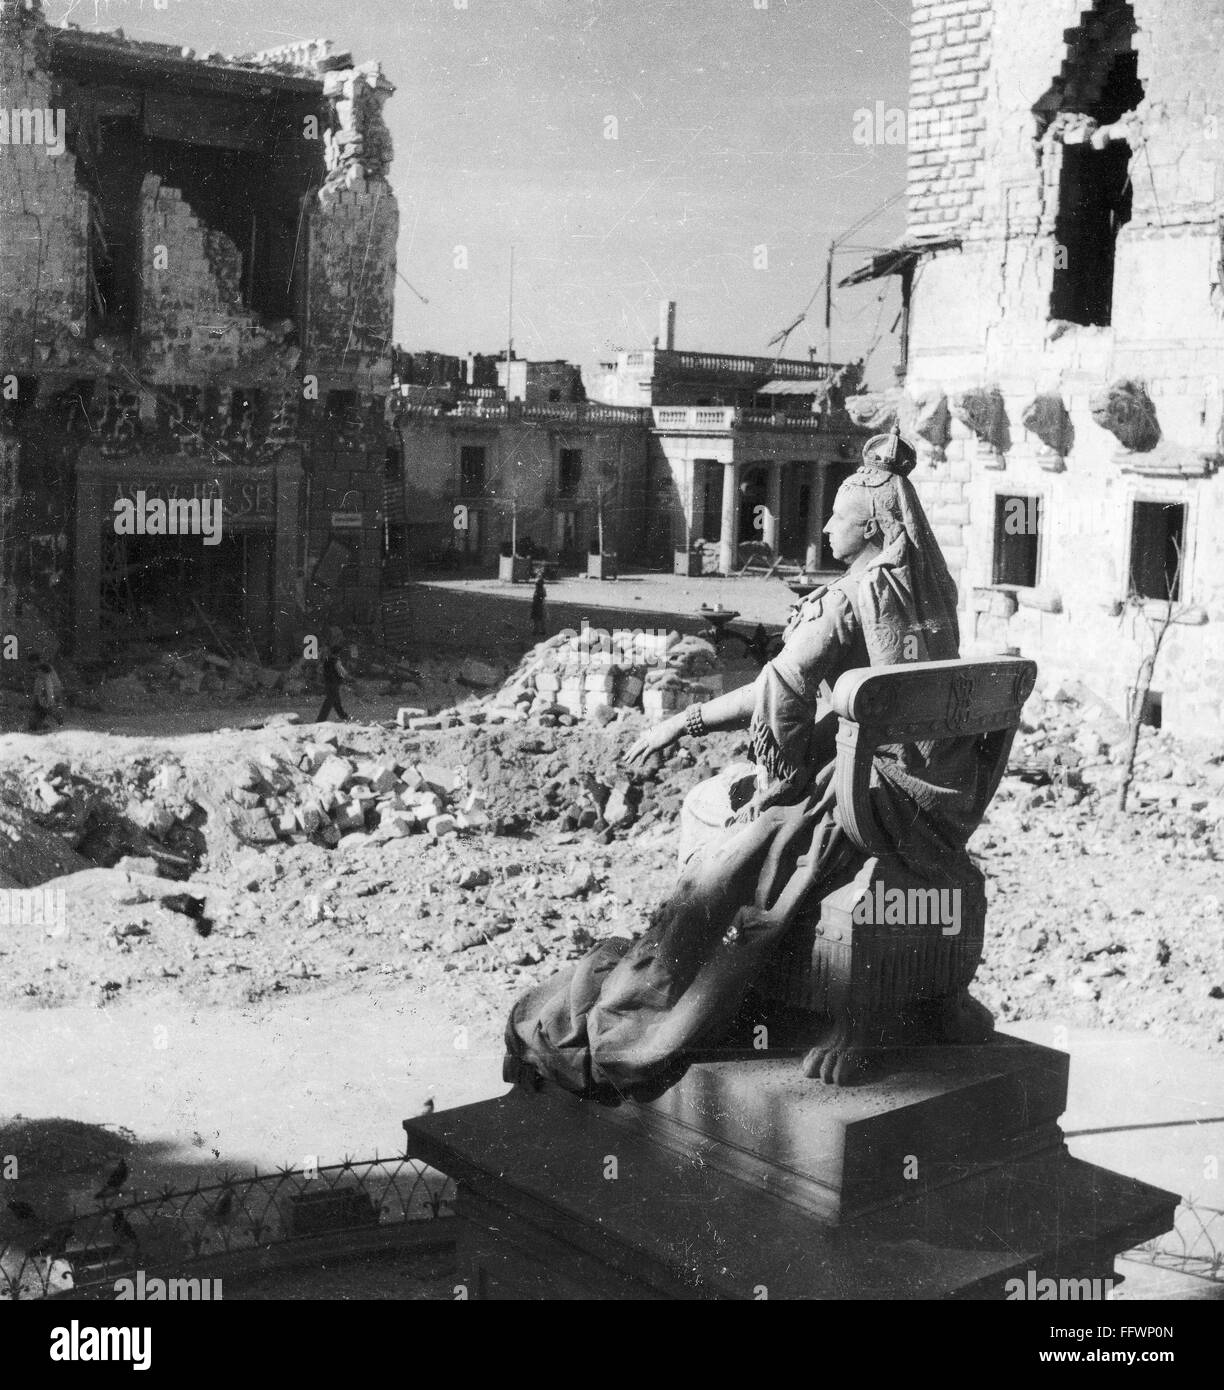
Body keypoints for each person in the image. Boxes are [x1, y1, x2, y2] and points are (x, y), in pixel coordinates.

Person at [503, 427, 991, 1100]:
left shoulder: (849, 597)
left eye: (840, 517)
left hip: (865, 802)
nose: (823, 525)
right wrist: (693, 720)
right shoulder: (929, 595)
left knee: (719, 837)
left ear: (873, 527)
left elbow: (784, 687)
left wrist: (776, 772)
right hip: (930, 801)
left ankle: (681, 995)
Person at [27, 655, 66, 733]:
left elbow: (51, 686)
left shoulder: (45, 672)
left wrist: (50, 698)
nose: (31, 666)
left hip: (49, 696)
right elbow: (38, 689)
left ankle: (58, 723)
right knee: (38, 715)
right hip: (44, 697)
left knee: (49, 710)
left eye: (32, 663)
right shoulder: (40, 675)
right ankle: (39, 725)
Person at [315, 644, 350, 723]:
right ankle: (321, 720)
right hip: (334, 683)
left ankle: (343, 716)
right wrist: (348, 678)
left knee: (335, 701)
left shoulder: (327, 660)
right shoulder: (336, 661)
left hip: (328, 683)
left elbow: (320, 671)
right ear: (338, 652)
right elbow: (342, 672)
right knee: (330, 702)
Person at [530, 573, 547, 638]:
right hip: (540, 605)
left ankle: (536, 630)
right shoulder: (542, 589)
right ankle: (542, 630)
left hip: (538, 605)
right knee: (541, 618)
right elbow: (544, 596)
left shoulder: (538, 590)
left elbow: (536, 598)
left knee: (537, 619)